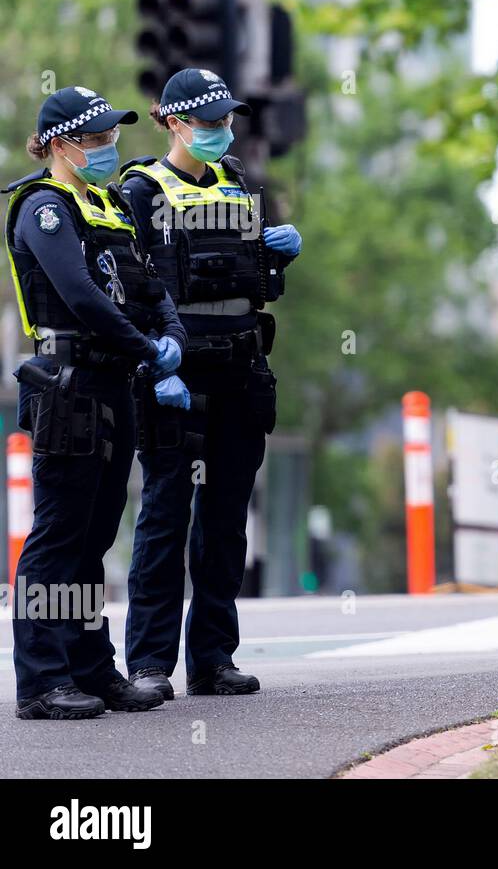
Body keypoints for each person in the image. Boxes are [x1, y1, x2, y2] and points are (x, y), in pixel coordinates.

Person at [4, 86, 187, 720]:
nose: (110, 146)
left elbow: (150, 282)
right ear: (60, 145)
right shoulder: (44, 208)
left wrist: (171, 338)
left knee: (95, 539)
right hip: (68, 383)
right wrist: (145, 346)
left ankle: (91, 668)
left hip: (115, 382)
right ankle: (41, 681)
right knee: (58, 537)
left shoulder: (108, 205)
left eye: (113, 136)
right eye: (97, 138)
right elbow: (80, 295)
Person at [117, 68, 300, 699]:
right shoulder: (140, 191)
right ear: (173, 122)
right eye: (208, 122)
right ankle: (147, 664)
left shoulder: (238, 184)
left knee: (225, 522)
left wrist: (277, 259)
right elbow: (130, 291)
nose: (221, 132)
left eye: (226, 121)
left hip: (241, 369)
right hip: (176, 373)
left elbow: (254, 284)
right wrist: (151, 366)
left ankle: (214, 657)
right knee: (166, 514)